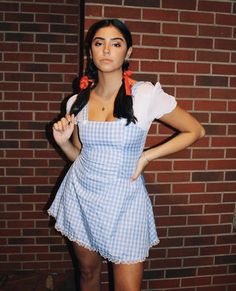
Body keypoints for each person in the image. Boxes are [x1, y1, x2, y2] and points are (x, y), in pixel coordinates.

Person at [48, 19, 205, 291]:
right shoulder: (77, 101)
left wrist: (147, 156)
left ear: (128, 52)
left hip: (125, 203)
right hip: (81, 197)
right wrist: (63, 143)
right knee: (87, 274)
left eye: (116, 43)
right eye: (99, 43)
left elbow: (195, 130)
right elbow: (80, 155)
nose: (107, 50)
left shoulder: (144, 94)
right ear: (91, 51)